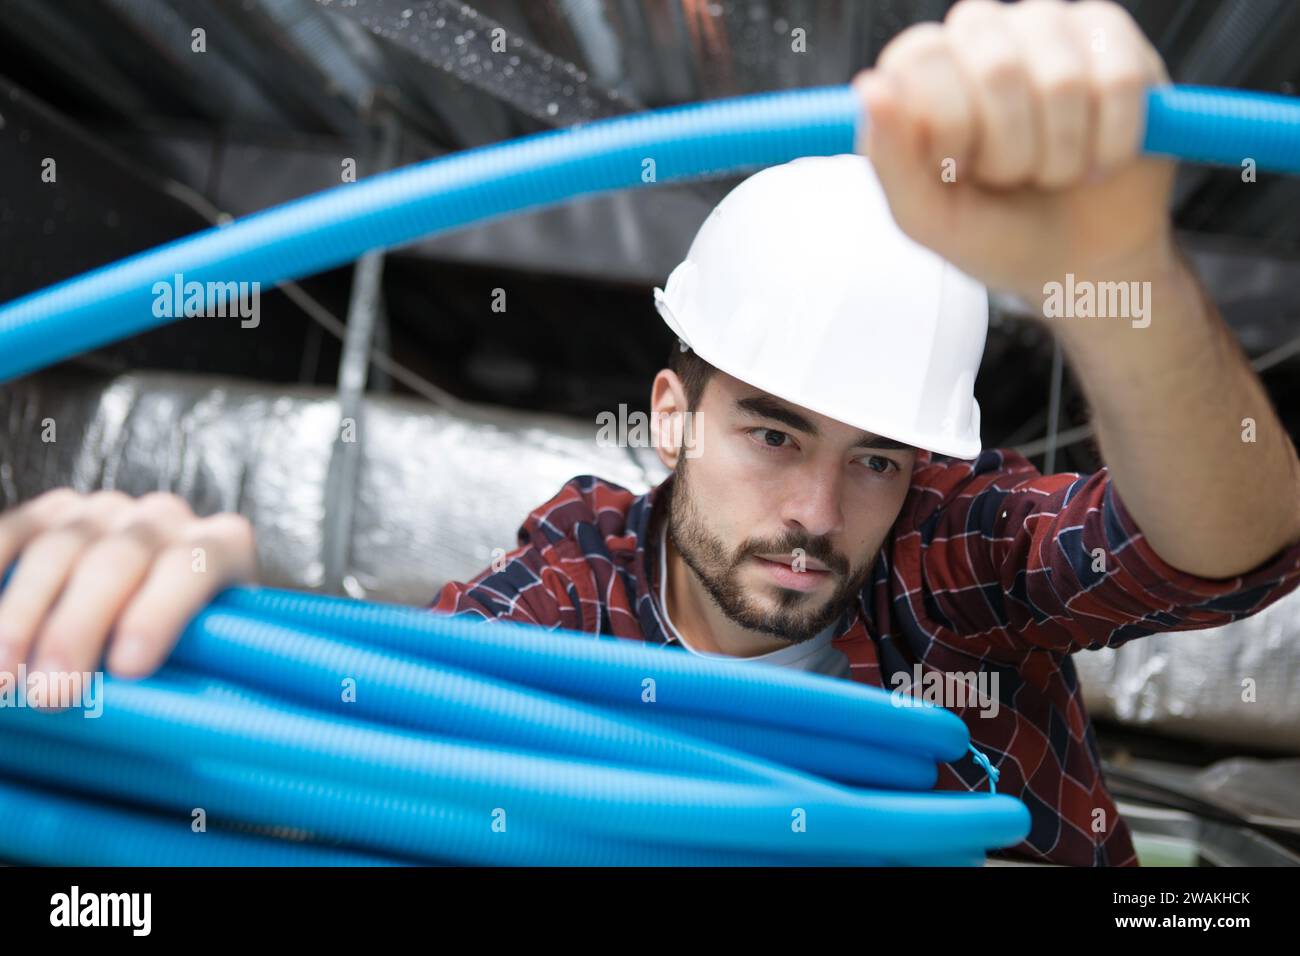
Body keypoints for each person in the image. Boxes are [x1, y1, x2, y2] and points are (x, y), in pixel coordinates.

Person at [2, 0, 1298, 866]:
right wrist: (193, 660)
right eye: (774, 436)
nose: (818, 512)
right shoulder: (570, 596)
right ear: (671, 419)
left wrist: (1110, 271)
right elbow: (396, 758)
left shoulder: (948, 559)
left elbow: (1221, 545)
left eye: (875, 459)